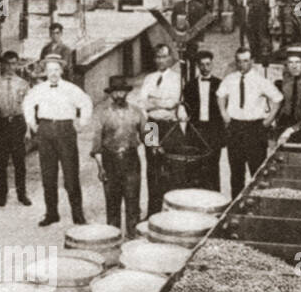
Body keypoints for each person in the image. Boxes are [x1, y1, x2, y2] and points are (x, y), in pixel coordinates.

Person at [22, 54, 93, 227]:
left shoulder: (71, 88)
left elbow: (86, 103)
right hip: (45, 131)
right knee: (48, 175)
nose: (53, 73)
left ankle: (78, 214)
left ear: (61, 70)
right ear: (45, 71)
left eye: (56, 69)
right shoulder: (38, 89)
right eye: (49, 70)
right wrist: (32, 124)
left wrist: (81, 123)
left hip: (65, 131)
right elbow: (27, 104)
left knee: (71, 175)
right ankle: (51, 213)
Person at [219, 47, 283, 198]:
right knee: (236, 173)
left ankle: (256, 207)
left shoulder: (260, 81)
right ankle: (235, 206)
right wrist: (224, 113)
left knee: (257, 171)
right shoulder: (230, 79)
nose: (242, 64)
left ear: (252, 62)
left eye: (246, 61)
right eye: (239, 61)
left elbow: (278, 99)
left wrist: (269, 120)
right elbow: (220, 95)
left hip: (255, 128)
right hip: (235, 128)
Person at [90, 76, 146, 233]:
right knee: (112, 201)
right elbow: (97, 145)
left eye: (122, 91)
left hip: (131, 160)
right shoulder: (102, 114)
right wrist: (101, 168)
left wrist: (157, 146)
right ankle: (112, 234)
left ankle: (132, 233)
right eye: (116, 92)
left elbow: (149, 135)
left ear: (127, 93)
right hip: (110, 161)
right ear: (111, 94)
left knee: (132, 198)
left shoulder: (137, 111)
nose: (119, 95)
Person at [139, 43, 183, 215]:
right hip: (151, 125)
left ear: (170, 58)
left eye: (164, 56)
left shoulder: (177, 78)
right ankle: (152, 211)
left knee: (171, 166)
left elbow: (173, 102)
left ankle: (170, 212)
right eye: (158, 57)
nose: (161, 60)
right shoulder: (149, 78)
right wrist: (160, 103)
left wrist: (154, 102)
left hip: (170, 125)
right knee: (152, 167)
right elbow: (142, 102)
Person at [0, 50, 32, 207]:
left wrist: (28, 129)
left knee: (19, 161)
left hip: (17, 123)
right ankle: (2, 195)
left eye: (13, 63)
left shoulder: (23, 84)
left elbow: (28, 108)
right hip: (2, 124)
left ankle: (22, 194)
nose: (10, 67)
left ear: (17, 64)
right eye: (7, 63)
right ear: (2, 64)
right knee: (1, 163)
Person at [182, 49, 225, 191]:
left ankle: (214, 202)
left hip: (213, 131)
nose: (205, 68)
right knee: (195, 166)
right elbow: (187, 109)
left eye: (208, 64)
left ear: (212, 64)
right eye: (202, 65)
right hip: (196, 130)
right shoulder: (189, 86)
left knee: (213, 167)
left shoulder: (221, 85)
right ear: (198, 66)